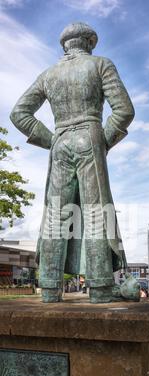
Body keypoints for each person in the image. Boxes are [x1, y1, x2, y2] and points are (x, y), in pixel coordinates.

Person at [10, 22, 139, 303]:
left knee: (56, 213)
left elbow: (19, 113)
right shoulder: (101, 64)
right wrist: (102, 141)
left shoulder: (49, 74)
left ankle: (49, 289)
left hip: (60, 143)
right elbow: (124, 110)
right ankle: (101, 288)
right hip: (90, 137)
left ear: (65, 45)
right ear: (89, 42)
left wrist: (51, 140)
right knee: (94, 212)